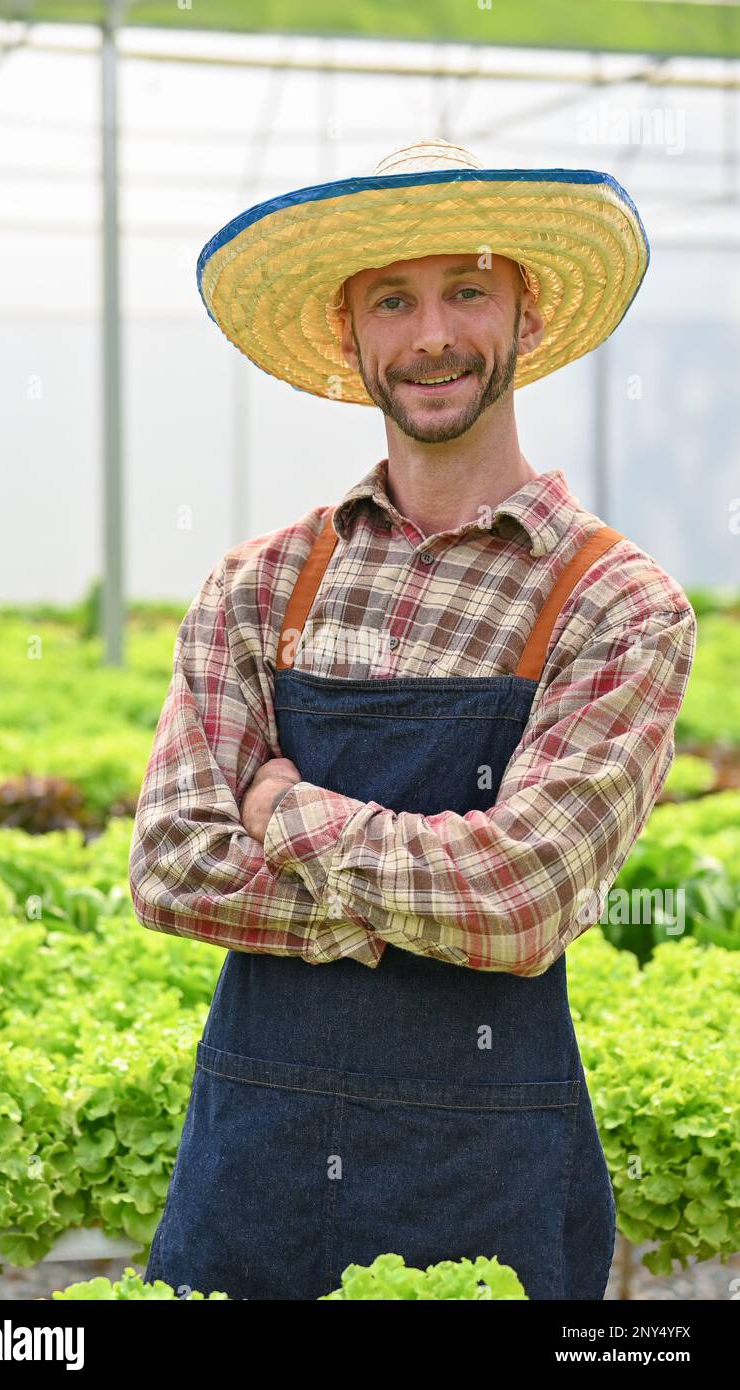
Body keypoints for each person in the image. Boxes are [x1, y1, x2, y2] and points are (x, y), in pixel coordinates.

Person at [129, 137, 697, 1301]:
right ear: (351, 334)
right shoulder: (261, 585)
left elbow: (522, 901)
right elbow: (176, 864)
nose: (432, 333)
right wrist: (417, 898)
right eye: (394, 299)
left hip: (488, 1182)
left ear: (526, 316)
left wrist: (288, 808)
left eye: (467, 291)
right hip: (255, 1169)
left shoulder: (617, 606)